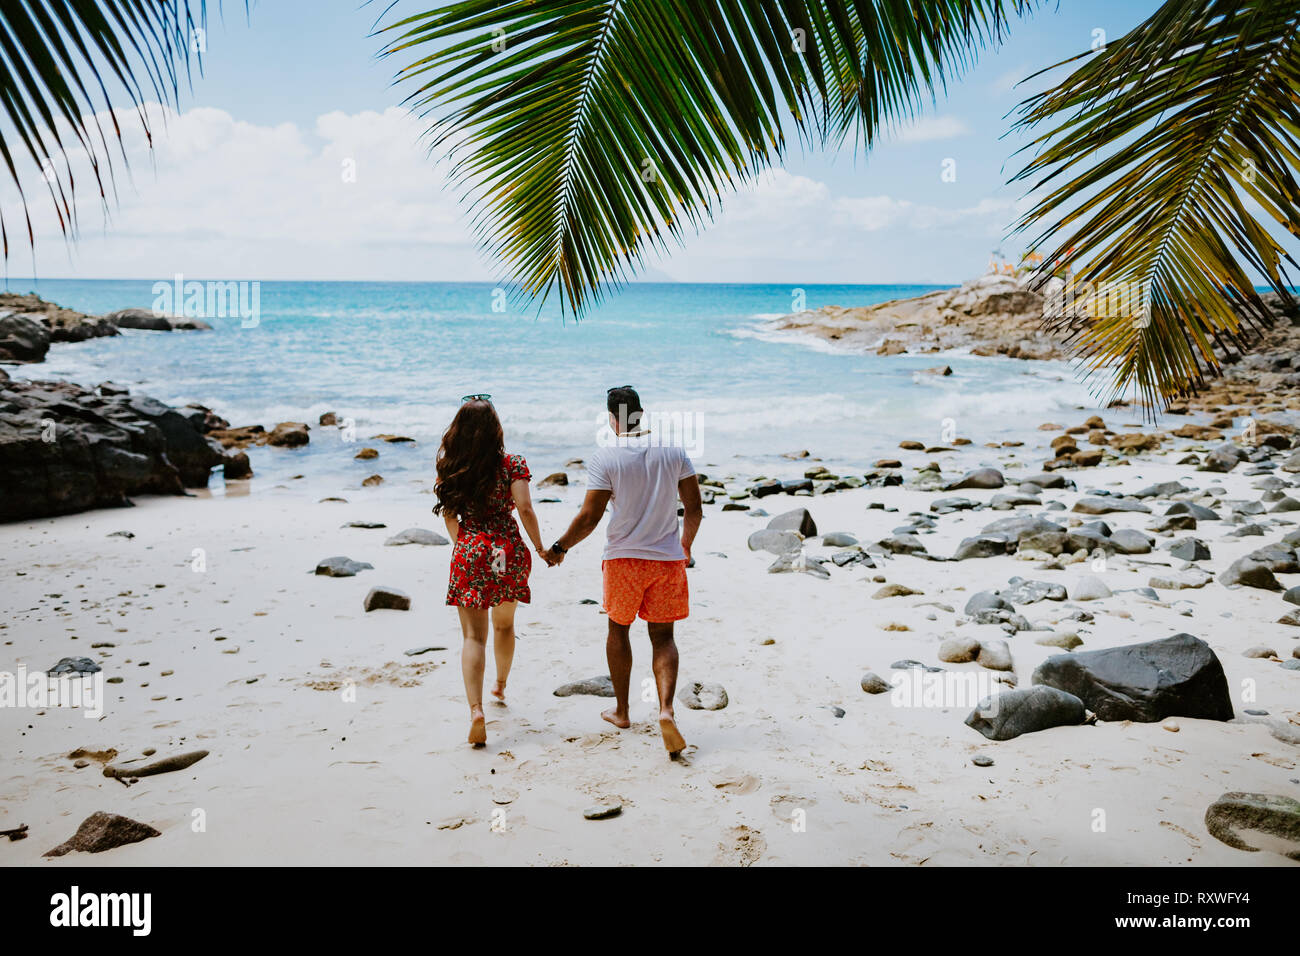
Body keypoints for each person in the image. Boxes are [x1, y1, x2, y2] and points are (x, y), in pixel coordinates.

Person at [544, 387, 702, 756]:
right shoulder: (674, 452)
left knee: (619, 629)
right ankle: (665, 710)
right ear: (642, 414)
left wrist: (559, 548)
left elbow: (589, 517)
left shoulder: (606, 457)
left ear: (611, 419)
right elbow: (693, 510)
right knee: (663, 638)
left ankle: (622, 710)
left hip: (623, 561)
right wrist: (686, 547)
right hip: (666, 559)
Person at [434, 395, 551, 747]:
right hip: (507, 551)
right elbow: (526, 509)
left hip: (471, 550)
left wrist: (465, 545)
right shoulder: (513, 464)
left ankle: (476, 710)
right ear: (495, 429)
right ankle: (500, 683)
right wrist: (542, 548)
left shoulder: (453, 465)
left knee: (473, 637)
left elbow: (449, 515)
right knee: (504, 624)